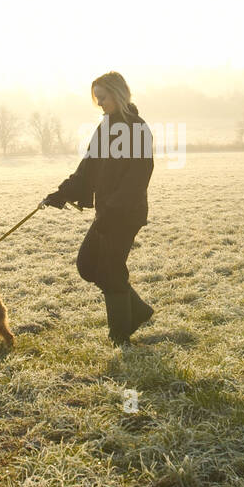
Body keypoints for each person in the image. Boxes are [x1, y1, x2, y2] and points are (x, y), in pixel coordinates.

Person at [42, 71, 154, 346]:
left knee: (111, 268)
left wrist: (114, 210)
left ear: (118, 95)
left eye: (103, 98)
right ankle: (137, 311)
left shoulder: (137, 129)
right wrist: (61, 194)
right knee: (88, 265)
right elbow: (88, 169)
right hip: (107, 213)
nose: (100, 104)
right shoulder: (105, 128)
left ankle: (120, 336)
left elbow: (138, 178)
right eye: (97, 99)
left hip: (125, 214)